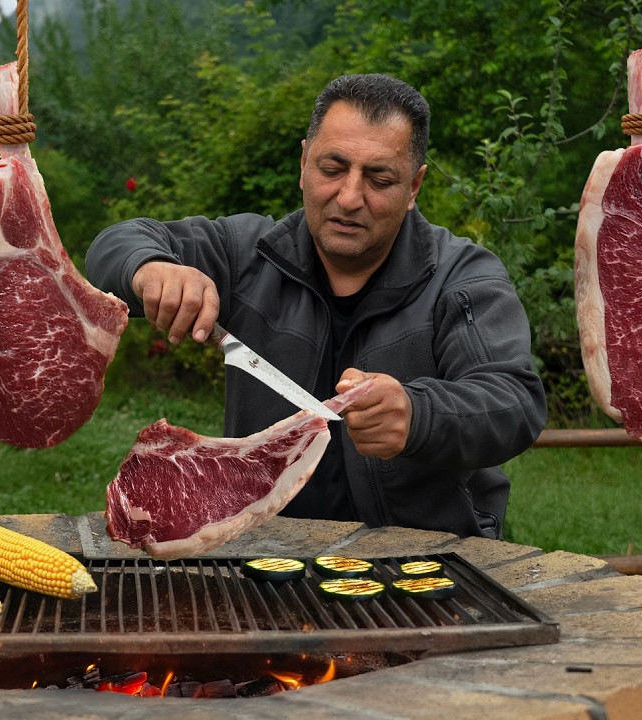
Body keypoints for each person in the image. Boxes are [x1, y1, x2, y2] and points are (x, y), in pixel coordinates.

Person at [85, 73, 547, 539]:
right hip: (265, 555)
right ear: (304, 162)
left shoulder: (462, 276)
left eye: (379, 178)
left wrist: (420, 414)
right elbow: (113, 245)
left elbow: (515, 402)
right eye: (332, 169)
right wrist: (151, 267)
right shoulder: (246, 253)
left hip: (421, 560)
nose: (349, 197)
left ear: (414, 187)